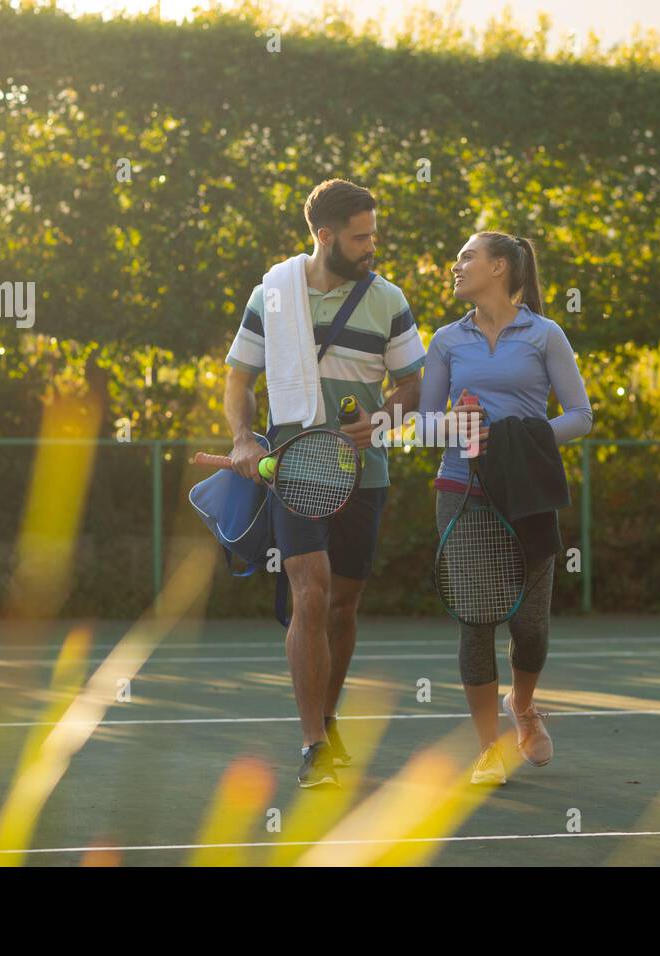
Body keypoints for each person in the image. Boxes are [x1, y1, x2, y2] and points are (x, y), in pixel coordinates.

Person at [222, 179, 425, 787]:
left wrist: (383, 418)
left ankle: (327, 721)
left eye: (373, 235)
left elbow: (413, 384)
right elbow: (238, 380)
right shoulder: (273, 294)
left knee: (343, 603)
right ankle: (313, 744)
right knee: (311, 590)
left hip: (365, 475)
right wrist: (240, 437)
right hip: (292, 469)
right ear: (325, 235)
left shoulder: (388, 298)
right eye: (360, 237)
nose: (371, 246)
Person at [419, 231, 593, 785]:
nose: (456, 263)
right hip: (460, 491)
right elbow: (423, 425)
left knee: (531, 626)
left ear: (499, 267)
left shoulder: (545, 334)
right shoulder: (446, 340)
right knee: (475, 621)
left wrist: (519, 438)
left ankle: (524, 707)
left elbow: (581, 416)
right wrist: (458, 423)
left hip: (529, 493)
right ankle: (488, 746)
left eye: (466, 255)